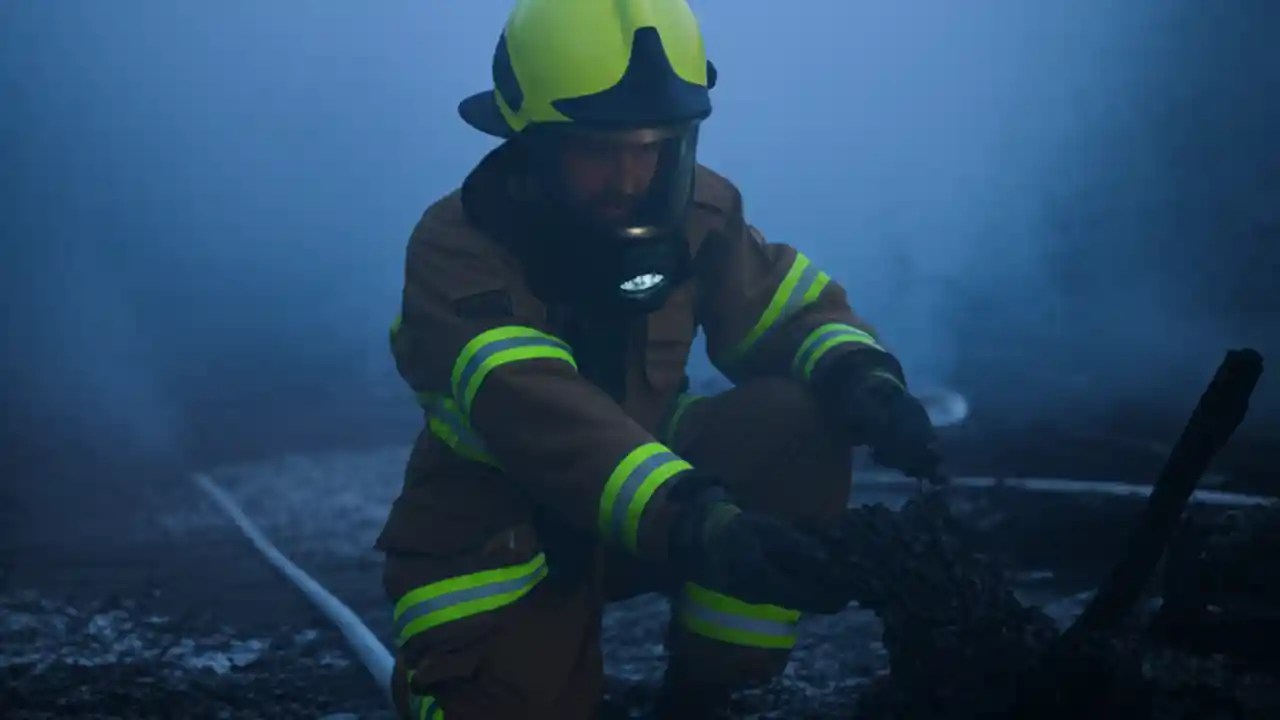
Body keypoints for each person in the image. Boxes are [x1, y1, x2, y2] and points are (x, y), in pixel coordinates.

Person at [376, 1, 942, 717]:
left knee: (796, 419)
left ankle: (711, 693)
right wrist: (696, 519)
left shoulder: (700, 210)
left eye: (652, 147)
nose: (629, 178)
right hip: (504, 525)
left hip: (660, 496)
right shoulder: (457, 248)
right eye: (596, 149)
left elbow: (781, 306)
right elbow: (532, 405)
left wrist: (864, 378)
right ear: (531, 144)